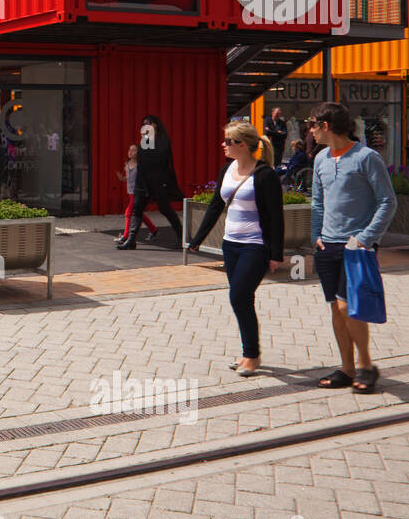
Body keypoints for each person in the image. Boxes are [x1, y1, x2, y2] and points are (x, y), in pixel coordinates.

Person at [309, 101, 397, 394]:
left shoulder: (367, 158)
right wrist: (316, 235)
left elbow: (388, 201)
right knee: (336, 308)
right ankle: (346, 369)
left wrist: (365, 238)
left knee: (350, 307)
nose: (309, 130)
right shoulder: (320, 159)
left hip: (356, 247)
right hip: (327, 245)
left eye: (312, 124)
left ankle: (366, 366)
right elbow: (318, 201)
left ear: (326, 125)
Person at [187, 122, 284, 376]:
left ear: (242, 144)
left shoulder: (264, 175)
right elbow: (215, 207)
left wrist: (276, 254)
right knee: (243, 299)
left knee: (238, 296)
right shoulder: (227, 169)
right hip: (230, 245)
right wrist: (197, 239)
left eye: (228, 141)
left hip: (256, 247)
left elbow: (276, 217)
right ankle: (249, 353)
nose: (223, 145)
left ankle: (251, 355)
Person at [116, 114, 183, 250]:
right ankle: (131, 240)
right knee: (137, 209)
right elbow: (142, 159)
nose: (146, 127)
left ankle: (182, 237)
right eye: (144, 124)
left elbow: (158, 158)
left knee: (165, 209)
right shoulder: (145, 140)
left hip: (158, 181)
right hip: (143, 182)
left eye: (149, 124)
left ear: (155, 125)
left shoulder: (162, 140)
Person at [115, 143, 157, 245]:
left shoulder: (140, 166)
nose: (130, 152)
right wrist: (122, 178)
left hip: (138, 193)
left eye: (133, 150)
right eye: (130, 150)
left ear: (138, 153)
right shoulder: (127, 164)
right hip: (131, 193)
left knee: (128, 213)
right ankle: (154, 230)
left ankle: (126, 236)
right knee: (139, 213)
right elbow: (128, 179)